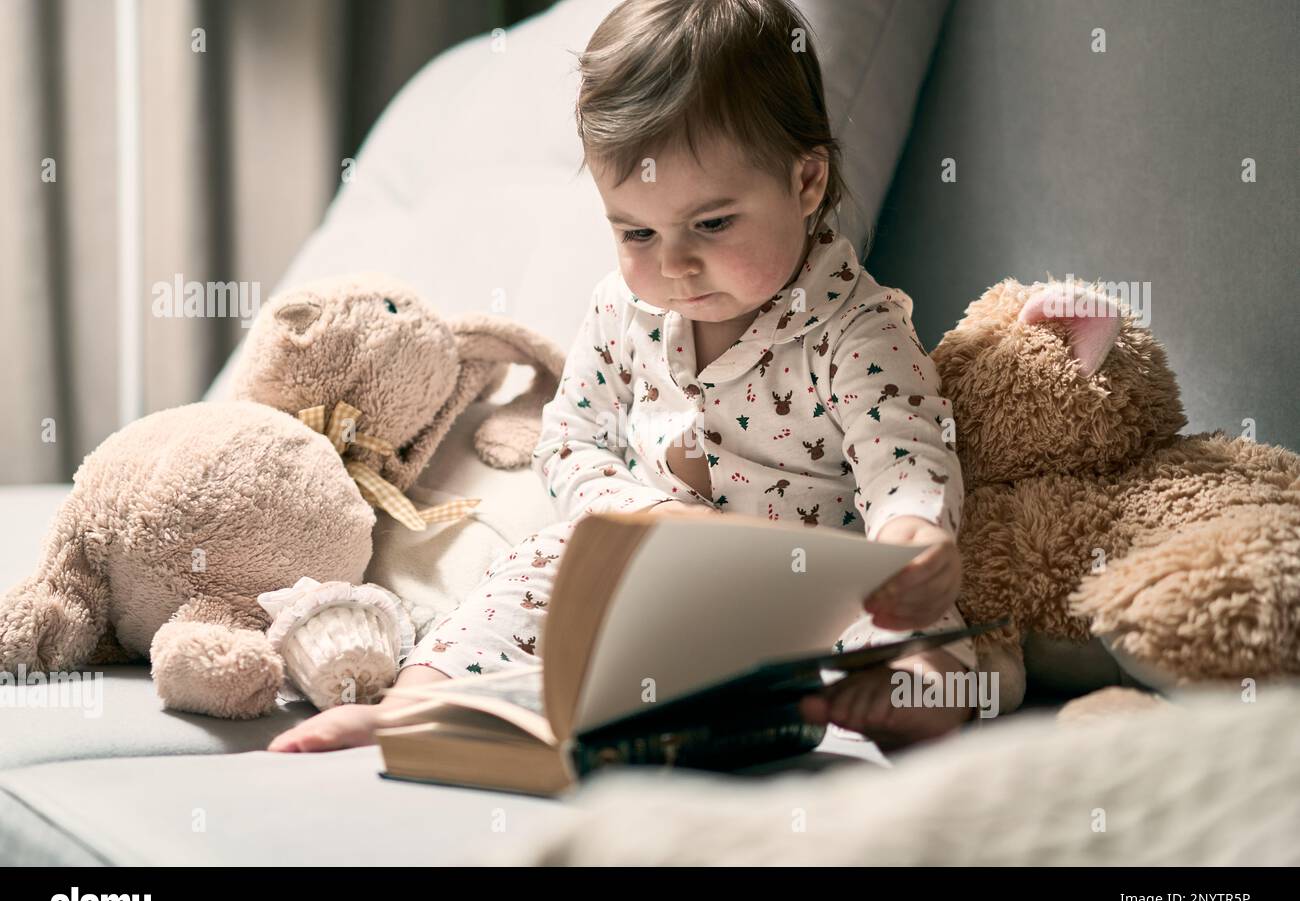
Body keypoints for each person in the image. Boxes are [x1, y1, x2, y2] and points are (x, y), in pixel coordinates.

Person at [269, 0, 1009, 754]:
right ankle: (415, 705)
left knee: (903, 612)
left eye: (713, 224)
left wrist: (911, 537)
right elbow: (568, 444)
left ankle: (907, 697)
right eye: (638, 232)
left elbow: (906, 457)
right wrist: (634, 512)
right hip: (658, 593)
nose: (674, 263)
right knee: (532, 564)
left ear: (808, 180)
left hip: (803, 593)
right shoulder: (623, 313)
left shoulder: (858, 328)